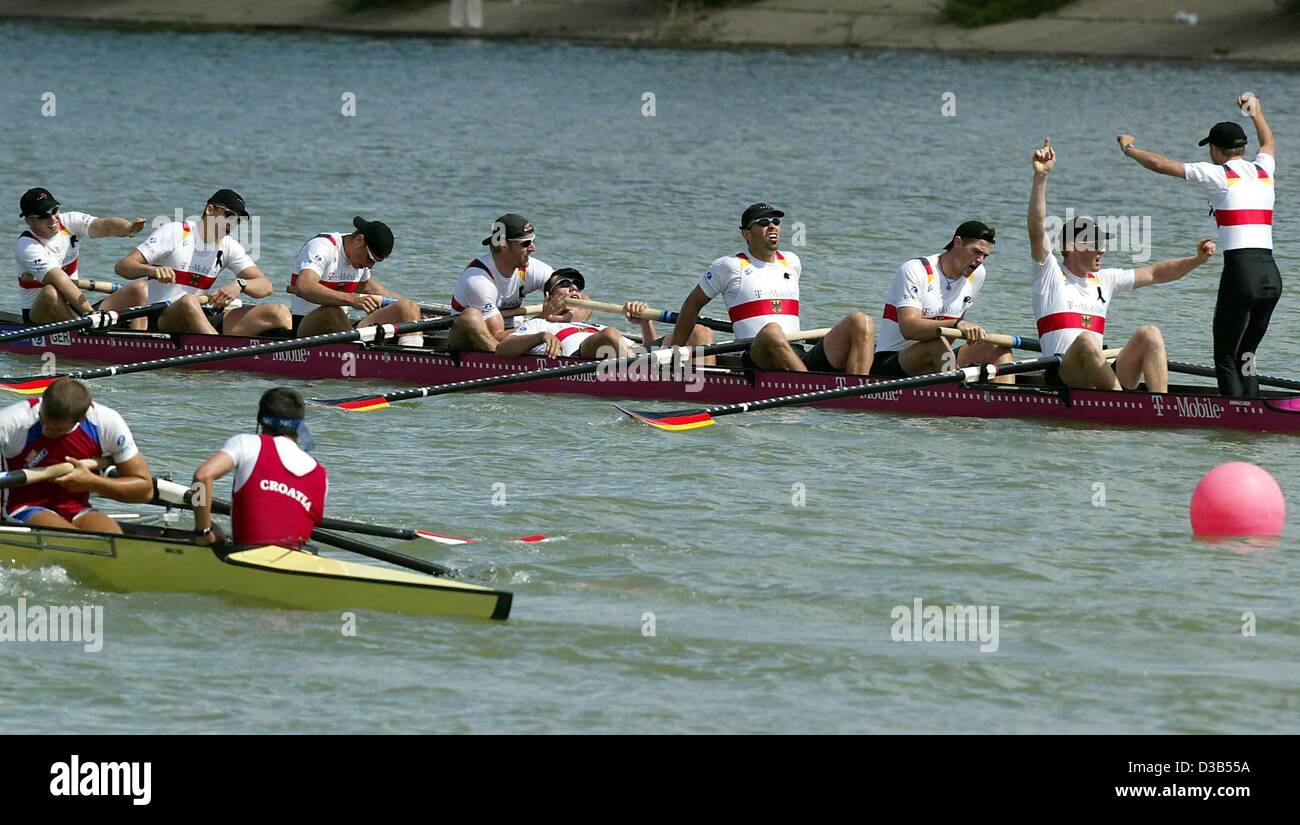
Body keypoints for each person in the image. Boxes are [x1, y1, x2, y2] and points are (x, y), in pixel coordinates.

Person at [1117, 94, 1279, 397]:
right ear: (1243, 148)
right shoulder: (1264, 169)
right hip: (1272, 276)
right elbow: (1269, 143)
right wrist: (1255, 112)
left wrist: (1129, 148)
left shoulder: (1218, 174)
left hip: (1241, 273)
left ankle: (1235, 421)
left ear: (1216, 150)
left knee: (1225, 357)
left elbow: (1162, 164)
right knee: (1247, 354)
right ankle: (1254, 414)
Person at [1028, 138, 1215, 392]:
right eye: (1096, 244)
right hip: (1065, 373)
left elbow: (1156, 273)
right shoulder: (1049, 274)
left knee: (1150, 333)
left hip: (1099, 368)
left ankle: (1159, 406)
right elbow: (1037, 229)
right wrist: (1041, 178)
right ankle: (1123, 403)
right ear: (1073, 248)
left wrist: (1196, 261)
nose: (1102, 249)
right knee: (1085, 340)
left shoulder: (1105, 279)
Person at [670, 203, 872, 373]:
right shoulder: (729, 266)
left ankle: (859, 393)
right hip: (758, 354)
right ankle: (809, 386)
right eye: (763, 223)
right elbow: (692, 304)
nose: (772, 226)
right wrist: (674, 351)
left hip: (797, 352)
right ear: (746, 233)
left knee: (860, 320)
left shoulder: (792, 262)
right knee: (772, 331)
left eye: (776, 222)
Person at [114, 189, 291, 336]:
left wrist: (240, 284)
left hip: (200, 312)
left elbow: (266, 286)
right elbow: (123, 266)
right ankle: (220, 355)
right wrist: (150, 270)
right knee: (188, 301)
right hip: (161, 317)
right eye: (228, 215)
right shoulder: (175, 232)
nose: (232, 223)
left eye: (237, 220)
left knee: (279, 312)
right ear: (210, 210)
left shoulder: (228, 246)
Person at [0, 377, 152, 533]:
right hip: (21, 506)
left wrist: (93, 482)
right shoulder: (11, 421)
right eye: (42, 421)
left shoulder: (106, 422)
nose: (46, 431)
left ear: (81, 418)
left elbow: (146, 491)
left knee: (114, 538)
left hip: (77, 508)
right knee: (68, 538)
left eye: (56, 430)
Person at [873, 221, 1014, 383]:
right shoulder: (915, 270)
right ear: (958, 242)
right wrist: (956, 324)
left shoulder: (978, 274)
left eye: (985, 256)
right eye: (976, 252)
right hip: (892, 362)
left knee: (996, 347)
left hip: (938, 357)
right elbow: (909, 328)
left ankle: (1005, 400)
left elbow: (950, 337)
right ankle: (959, 395)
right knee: (937, 343)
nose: (980, 260)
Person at [191, 387, 326, 548]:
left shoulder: (247, 444)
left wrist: (203, 532)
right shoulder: (320, 474)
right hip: (294, 563)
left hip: (245, 561)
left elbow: (201, 478)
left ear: (260, 420)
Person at [447, 213, 591, 351]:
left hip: (510, 335)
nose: (533, 248)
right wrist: (542, 319)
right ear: (503, 245)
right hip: (474, 341)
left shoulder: (530, 268)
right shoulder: (479, 281)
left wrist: (565, 316)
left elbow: (582, 298)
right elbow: (497, 336)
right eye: (526, 243)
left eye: (533, 241)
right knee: (471, 316)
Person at [15, 187, 150, 329]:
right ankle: (83, 334)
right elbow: (61, 281)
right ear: (30, 220)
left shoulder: (69, 221)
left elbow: (104, 225)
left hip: (74, 309)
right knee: (51, 292)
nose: (53, 218)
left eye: (54, 210)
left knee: (139, 289)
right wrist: (91, 313)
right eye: (44, 215)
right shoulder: (27, 246)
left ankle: (137, 341)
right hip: (40, 316)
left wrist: (128, 228)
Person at [288, 216, 423, 346]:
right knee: (332, 311)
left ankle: (413, 357)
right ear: (359, 240)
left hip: (344, 329)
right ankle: (359, 351)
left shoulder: (358, 260)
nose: (370, 266)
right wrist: (352, 300)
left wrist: (420, 309)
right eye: (370, 259)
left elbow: (374, 289)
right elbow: (304, 286)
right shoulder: (324, 246)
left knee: (407, 307)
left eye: (376, 262)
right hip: (306, 327)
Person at [497, 269, 655, 358]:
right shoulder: (539, 324)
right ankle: (652, 376)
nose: (573, 288)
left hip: (632, 358)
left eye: (577, 286)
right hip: (583, 352)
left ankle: (659, 374)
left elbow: (651, 351)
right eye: (564, 284)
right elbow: (503, 350)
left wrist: (646, 322)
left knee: (670, 339)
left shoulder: (592, 325)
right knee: (610, 334)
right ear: (549, 296)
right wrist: (541, 337)